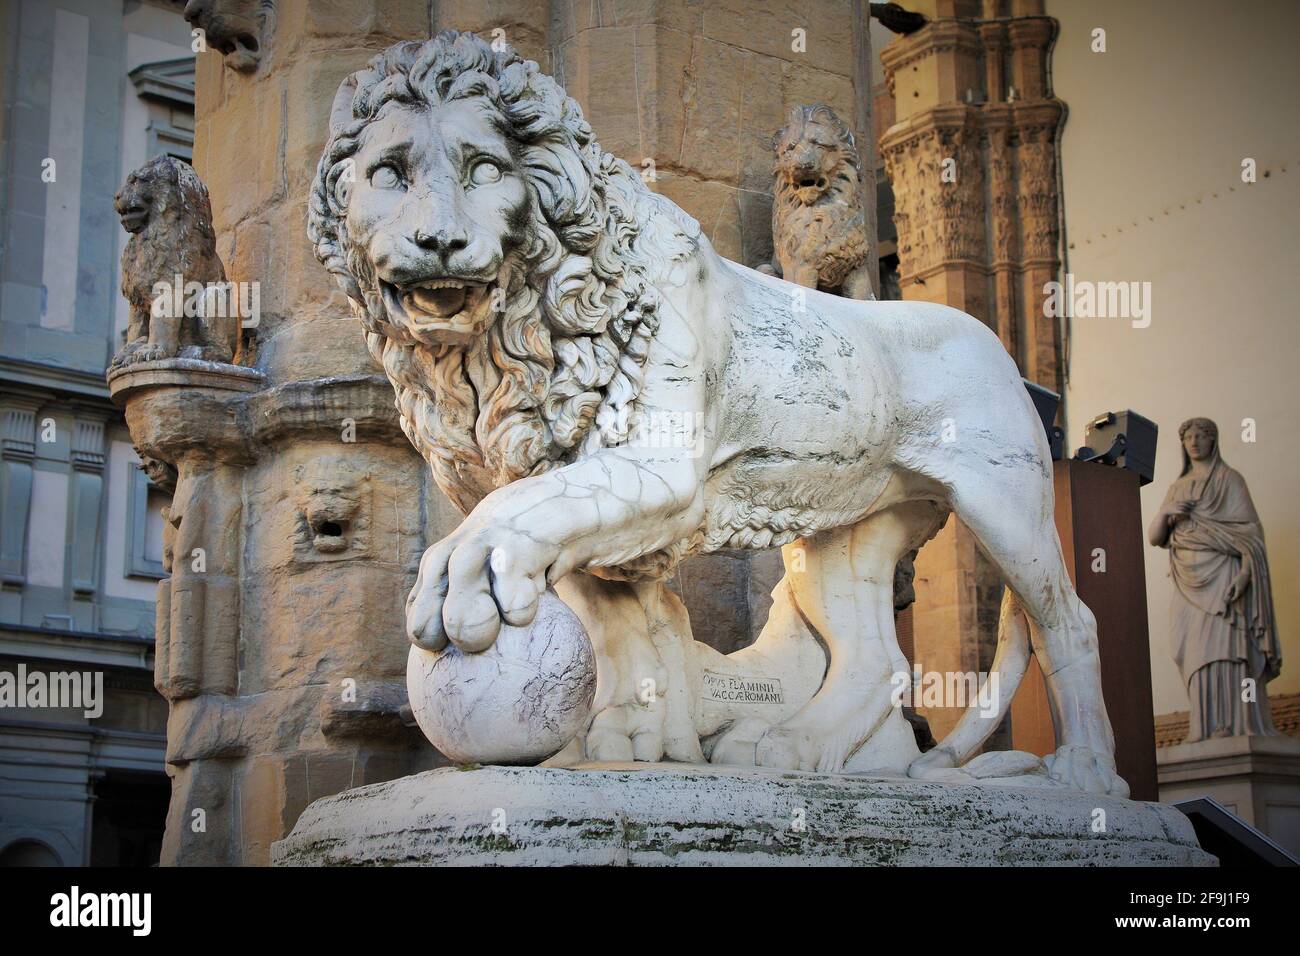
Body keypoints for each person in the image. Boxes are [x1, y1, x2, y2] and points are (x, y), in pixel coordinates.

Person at [1149, 417, 1281, 740]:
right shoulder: (1178, 488)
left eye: (1201, 436)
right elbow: (1154, 536)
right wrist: (1168, 514)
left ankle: (1236, 723)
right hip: (1186, 583)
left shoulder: (1230, 480)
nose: (1194, 442)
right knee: (1190, 649)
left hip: (1224, 578)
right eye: (1188, 437)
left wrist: (1246, 574)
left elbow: (1252, 536)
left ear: (1213, 441)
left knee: (1226, 651)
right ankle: (1202, 724)